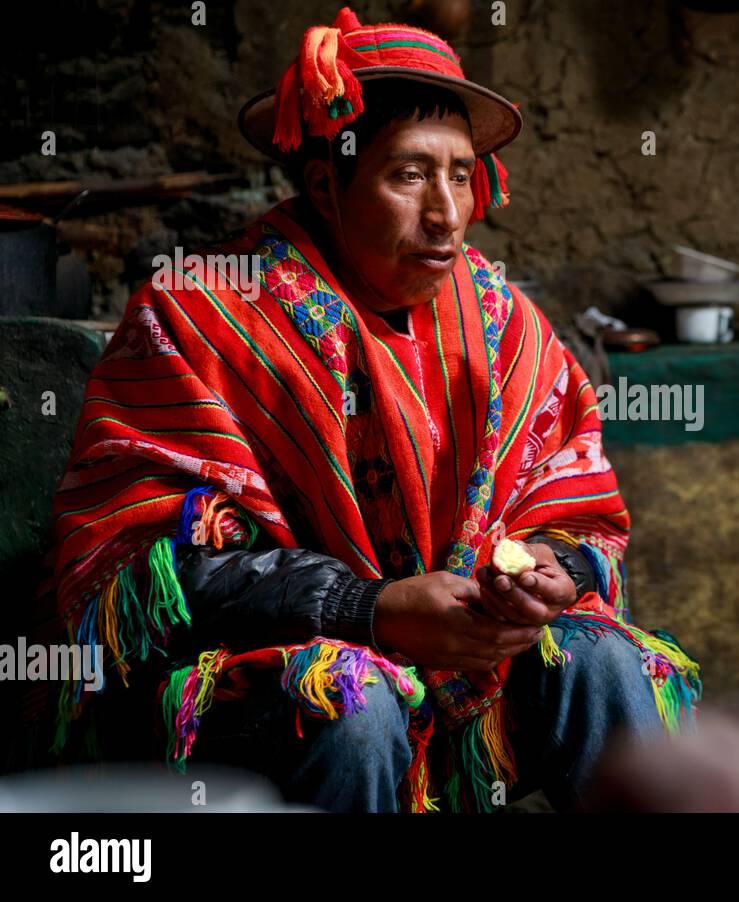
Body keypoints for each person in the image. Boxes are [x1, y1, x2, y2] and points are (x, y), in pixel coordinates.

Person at [41, 7, 701, 813]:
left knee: (605, 662)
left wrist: (555, 572)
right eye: (409, 174)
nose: (448, 214)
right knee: (352, 702)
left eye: (461, 174)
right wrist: (365, 609)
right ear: (327, 180)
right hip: (249, 684)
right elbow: (148, 570)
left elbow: (574, 501)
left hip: (467, 676)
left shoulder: (502, 322)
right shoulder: (197, 314)